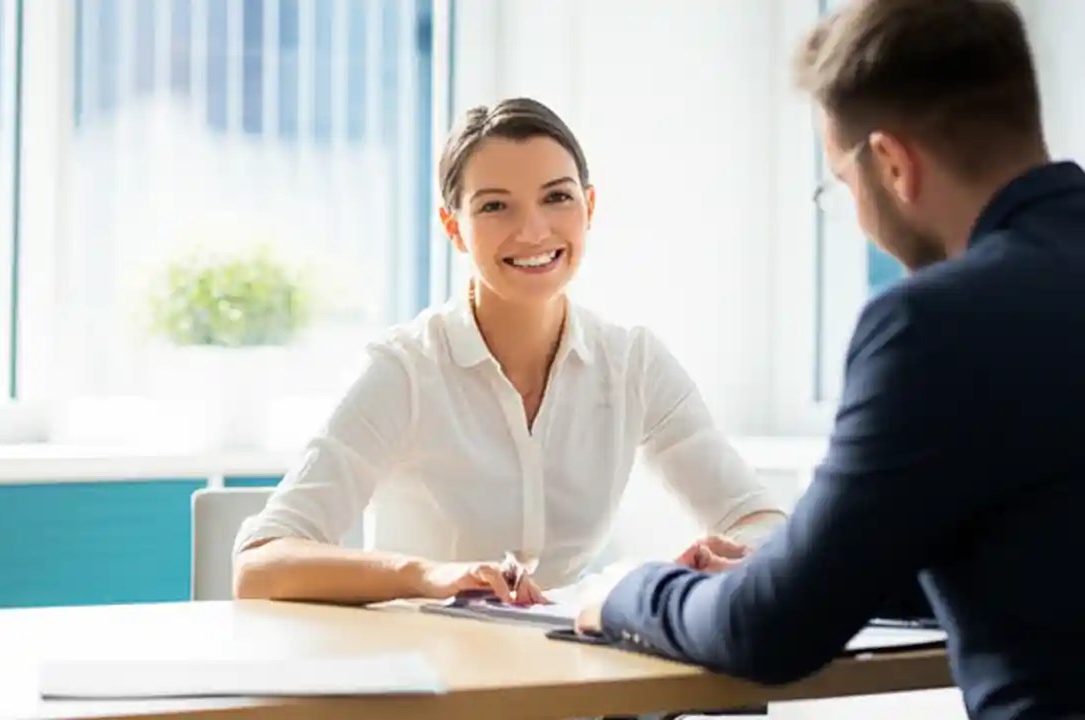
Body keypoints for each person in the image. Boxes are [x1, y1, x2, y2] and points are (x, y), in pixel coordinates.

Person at [576, 2, 1085, 718]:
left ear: (892, 163)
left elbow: (769, 632)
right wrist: (802, 565)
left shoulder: (935, 324)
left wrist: (628, 591)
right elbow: (1041, 543)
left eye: (840, 187)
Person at [231, 97, 786, 606]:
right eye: (496, 206)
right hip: (431, 692)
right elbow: (259, 565)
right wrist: (426, 574)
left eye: (557, 197)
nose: (534, 230)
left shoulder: (632, 363)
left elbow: (757, 518)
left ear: (588, 207)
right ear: (454, 227)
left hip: (565, 684)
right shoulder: (405, 371)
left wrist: (734, 558)